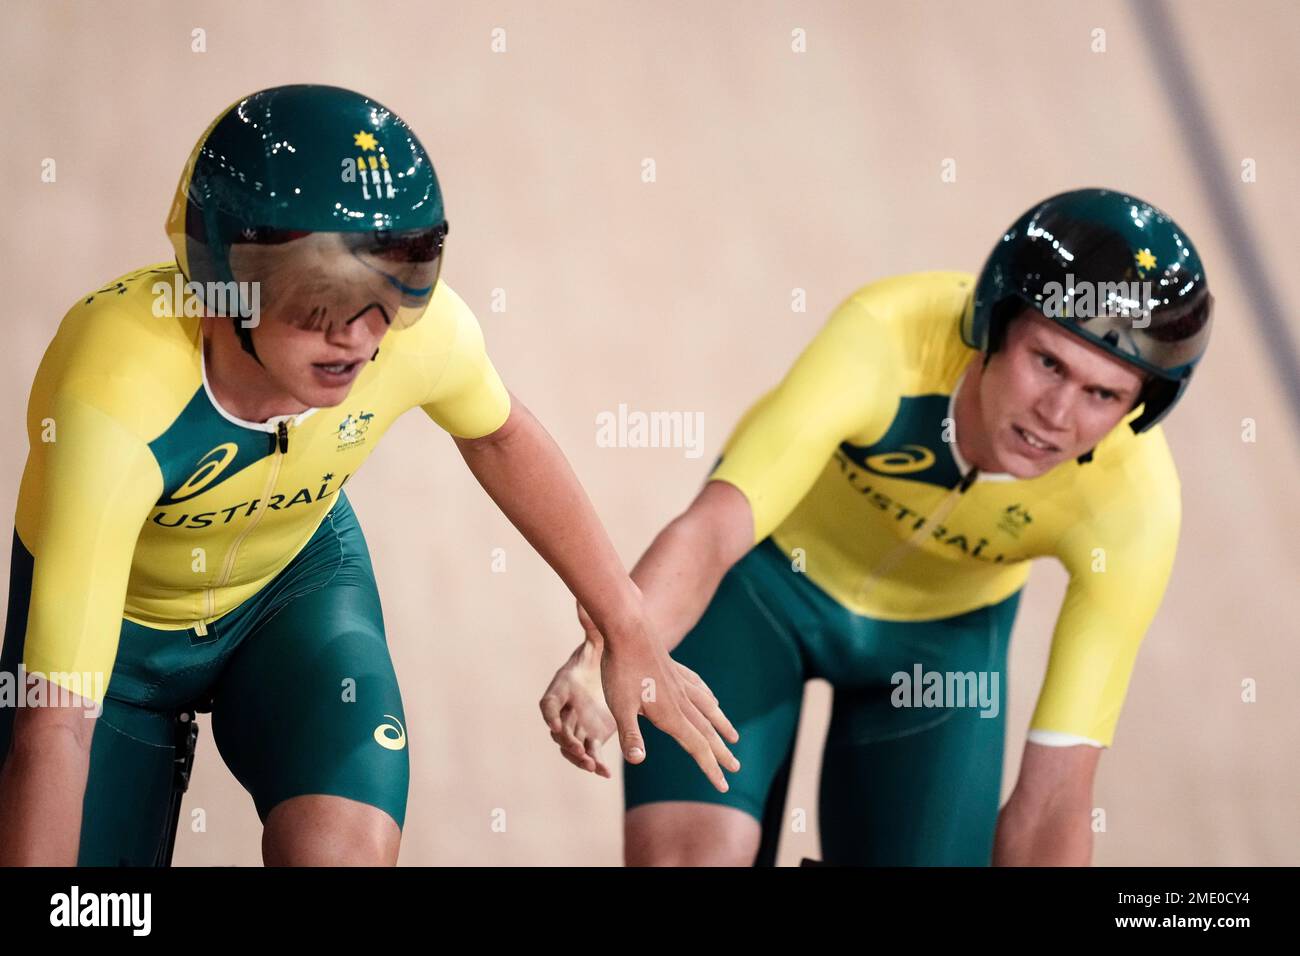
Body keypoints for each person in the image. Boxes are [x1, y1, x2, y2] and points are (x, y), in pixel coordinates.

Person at [0, 84, 738, 867]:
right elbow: (53, 729)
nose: (357, 337)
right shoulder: (114, 398)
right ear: (222, 278)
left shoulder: (420, 340)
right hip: (117, 640)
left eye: (397, 287)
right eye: (320, 300)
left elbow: (502, 437)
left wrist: (625, 625)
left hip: (292, 591)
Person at [540, 188, 1214, 866]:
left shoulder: (1136, 502)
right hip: (763, 591)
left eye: (1103, 394)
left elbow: (1054, 799)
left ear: (1140, 407)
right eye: (1049, 363)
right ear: (994, 325)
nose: (1058, 415)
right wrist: (607, 658)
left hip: (940, 649)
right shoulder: (888, 334)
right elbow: (712, 533)